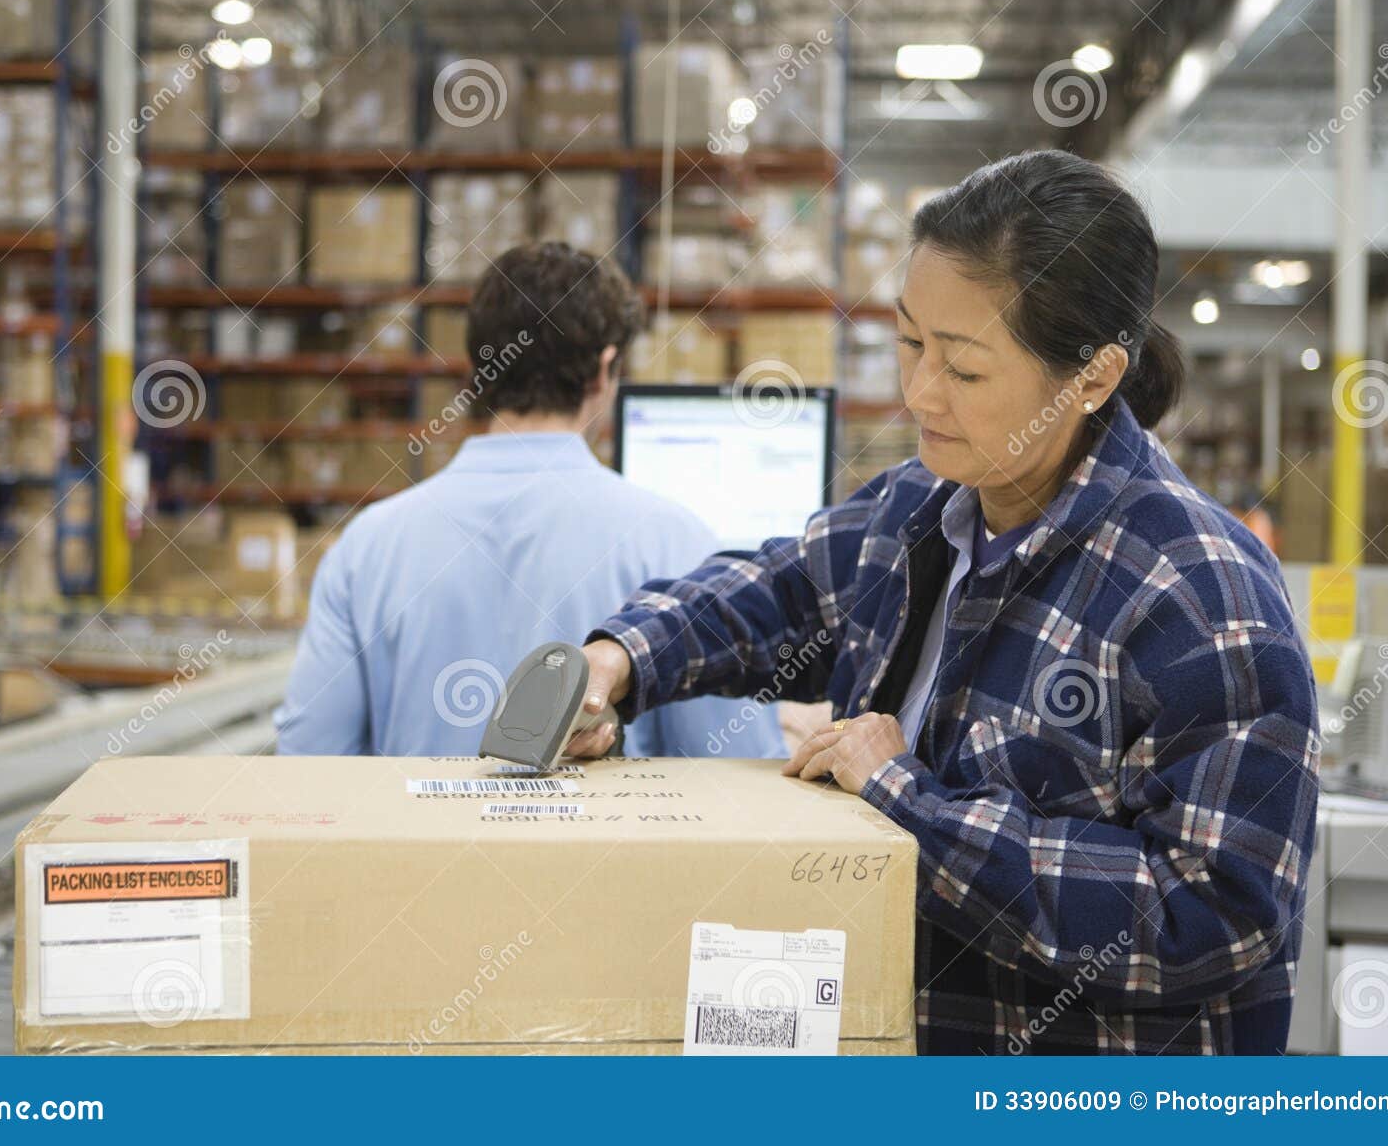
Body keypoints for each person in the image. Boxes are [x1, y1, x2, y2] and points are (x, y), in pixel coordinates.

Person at [565, 150, 1319, 1055]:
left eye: (962, 369)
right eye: (910, 341)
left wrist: (908, 799)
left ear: (1092, 377)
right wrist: (621, 657)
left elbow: (1214, 912)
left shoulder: (1201, 597)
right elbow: (778, 589)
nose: (918, 392)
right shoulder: (922, 507)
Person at [275, 242, 783, 760]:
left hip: (420, 840)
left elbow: (310, 758)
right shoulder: (676, 543)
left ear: (477, 366)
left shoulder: (366, 547)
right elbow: (734, 766)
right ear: (605, 369)